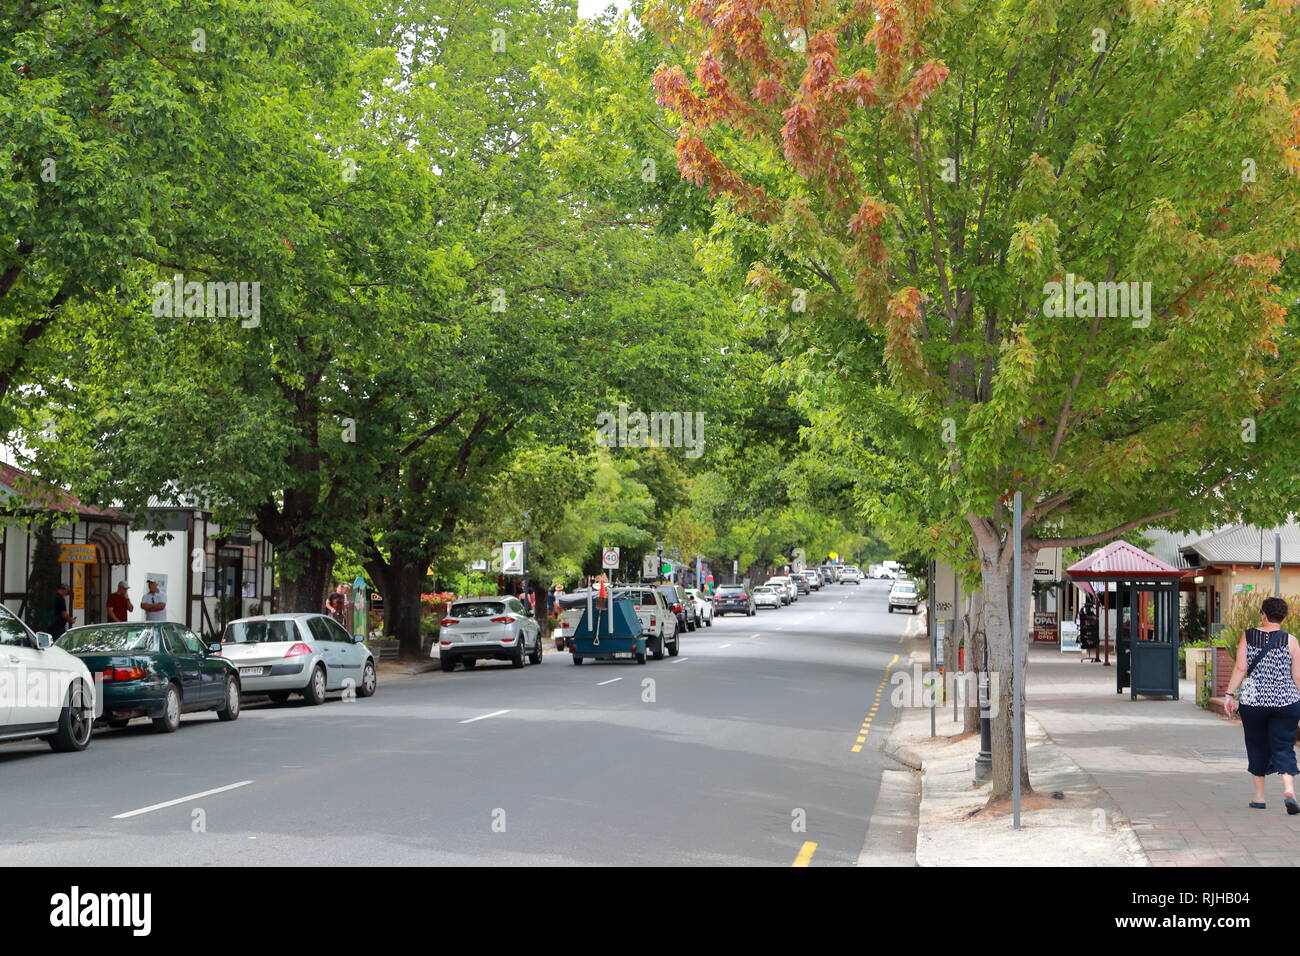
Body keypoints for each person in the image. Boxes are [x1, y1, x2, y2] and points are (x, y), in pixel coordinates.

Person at [1224, 596, 1300, 813]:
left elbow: (1240, 668)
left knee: (1256, 744)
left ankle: (1259, 797)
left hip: (1254, 701)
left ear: (1263, 615)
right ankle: (1289, 791)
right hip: (1285, 701)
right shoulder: (1291, 640)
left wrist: (1229, 694)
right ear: (1283, 618)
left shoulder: (1248, 636)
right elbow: (1297, 677)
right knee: (1284, 746)